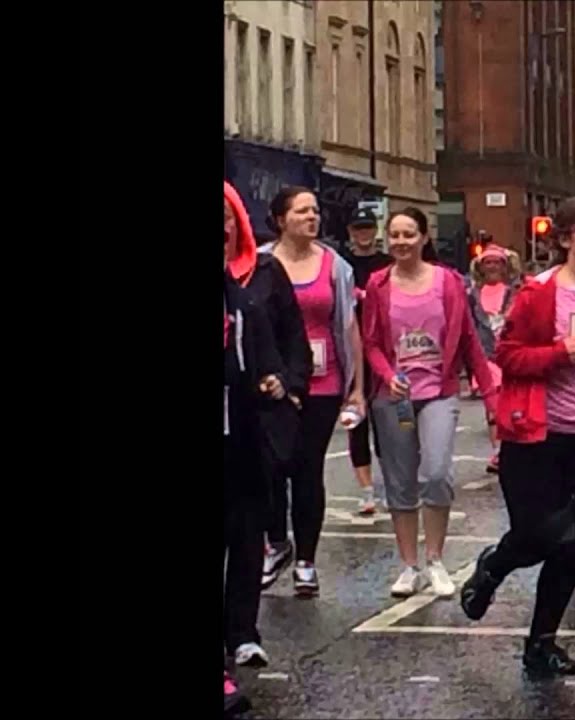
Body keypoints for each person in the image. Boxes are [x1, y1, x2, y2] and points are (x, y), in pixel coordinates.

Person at [459, 195, 575, 677]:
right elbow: (508, 355)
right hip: (537, 434)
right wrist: (558, 354)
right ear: (564, 239)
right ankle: (494, 565)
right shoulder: (541, 293)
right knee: (541, 533)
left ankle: (542, 643)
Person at [362, 208, 498, 598]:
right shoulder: (378, 284)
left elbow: (470, 340)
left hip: (439, 391)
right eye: (395, 235)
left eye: (409, 234)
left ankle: (436, 559)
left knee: (436, 473)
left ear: (423, 238)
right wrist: (388, 376)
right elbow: (370, 341)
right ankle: (409, 566)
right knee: (400, 481)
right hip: (393, 398)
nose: (401, 242)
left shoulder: (449, 282)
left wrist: (490, 394)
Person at [260, 187, 366, 598]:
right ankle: (276, 542)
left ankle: (306, 560)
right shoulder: (262, 264)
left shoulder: (335, 266)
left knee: (307, 469)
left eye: (315, 211)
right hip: (275, 382)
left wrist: (356, 387)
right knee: (270, 467)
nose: (312, 217)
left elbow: (348, 326)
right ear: (281, 219)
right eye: (302, 211)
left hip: (323, 381)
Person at [224, 182, 311, 663]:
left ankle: (242, 633)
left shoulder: (258, 275)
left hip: (249, 426)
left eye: (227, 218)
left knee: (246, 533)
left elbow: (289, 339)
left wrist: (288, 385)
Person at [223, 219, 288, 715]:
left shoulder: (244, 285)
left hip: (243, 434)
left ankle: (241, 633)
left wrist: (276, 379)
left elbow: (267, 344)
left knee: (246, 534)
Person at [342, 207, 396, 515]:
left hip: (384, 351)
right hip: (351, 350)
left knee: (389, 422)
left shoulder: (387, 265)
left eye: (367, 228)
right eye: (357, 228)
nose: (362, 233)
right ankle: (366, 490)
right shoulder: (342, 266)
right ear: (350, 231)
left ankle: (391, 484)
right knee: (355, 423)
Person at [467, 243, 521, 474]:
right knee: (492, 405)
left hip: (509, 353)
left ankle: (511, 447)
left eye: (496, 262)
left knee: (510, 405)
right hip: (485, 355)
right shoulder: (472, 294)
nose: (492, 267)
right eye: (487, 263)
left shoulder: (514, 291)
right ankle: (498, 450)